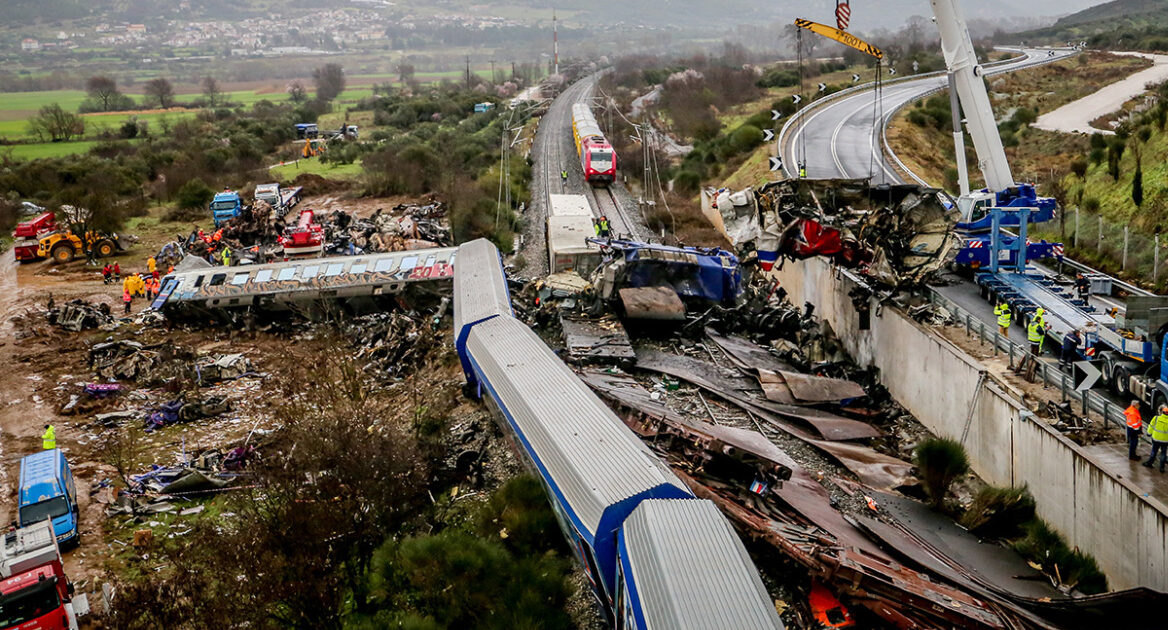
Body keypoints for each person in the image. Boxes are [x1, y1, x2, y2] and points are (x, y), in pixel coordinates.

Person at [1143, 405, 1168, 472]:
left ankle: (1150, 462)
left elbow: (1151, 426)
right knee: (1163, 453)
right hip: (1165, 440)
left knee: (1154, 451)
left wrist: (1148, 433)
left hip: (1156, 438)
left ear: (1162, 412)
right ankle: (1162, 468)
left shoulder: (1156, 418)